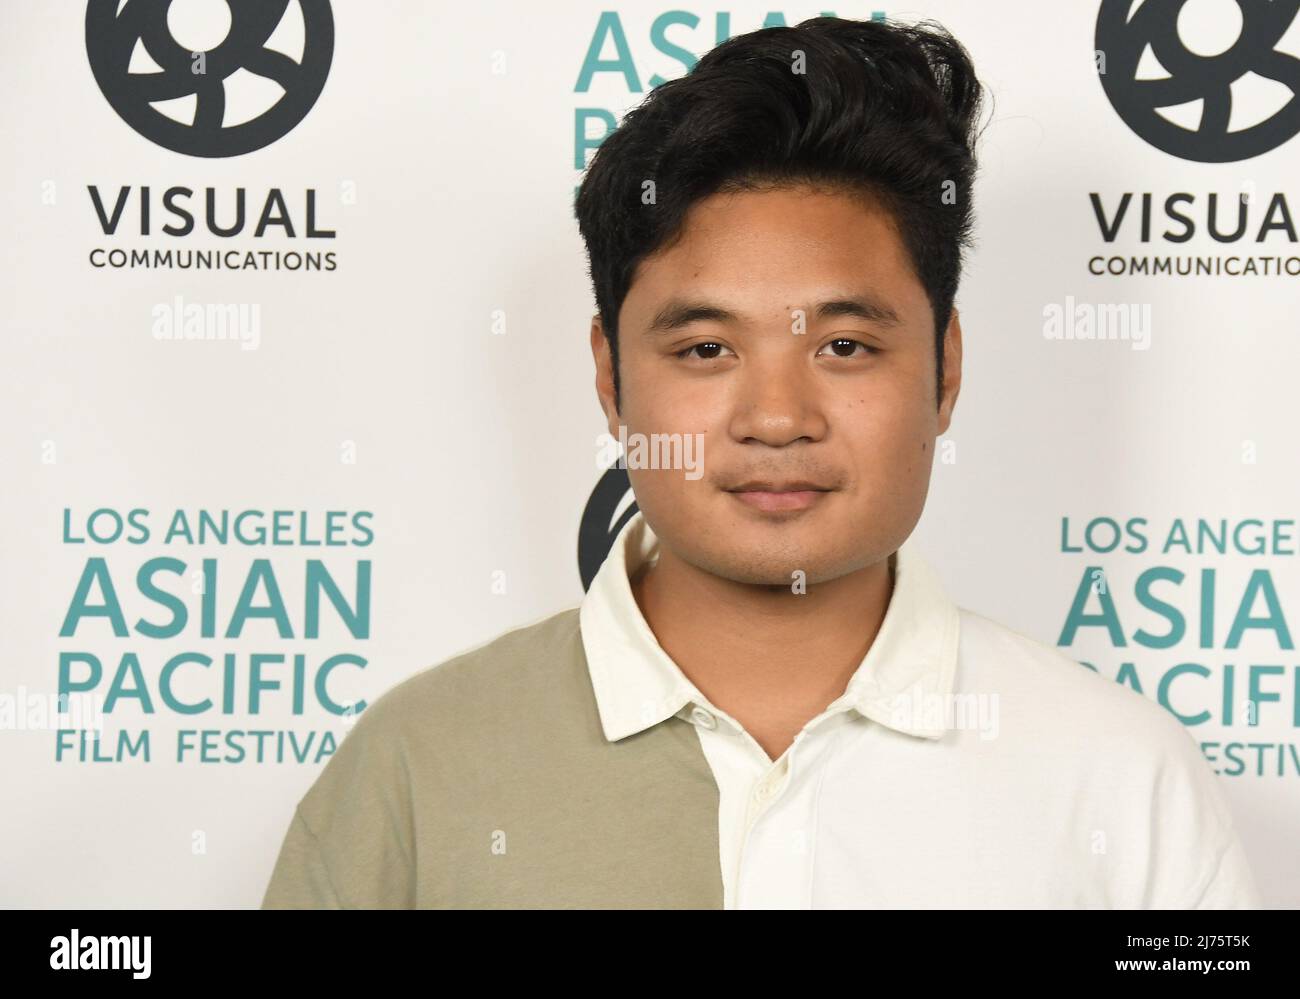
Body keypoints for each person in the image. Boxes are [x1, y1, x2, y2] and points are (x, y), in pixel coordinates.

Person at [261, 14, 1261, 909]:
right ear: (610, 378)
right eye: (705, 350)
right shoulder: (417, 764)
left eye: (844, 347)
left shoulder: (1120, 779)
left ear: (944, 367)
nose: (776, 419)